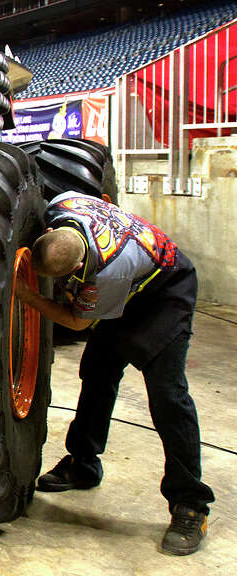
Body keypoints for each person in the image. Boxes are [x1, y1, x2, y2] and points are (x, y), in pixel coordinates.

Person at [14, 191, 214, 556]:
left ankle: (191, 504)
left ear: (78, 271)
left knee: (168, 395)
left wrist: (28, 297)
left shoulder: (108, 271)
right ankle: (84, 462)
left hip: (164, 294)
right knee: (97, 372)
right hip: (130, 286)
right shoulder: (63, 204)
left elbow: (76, 321)